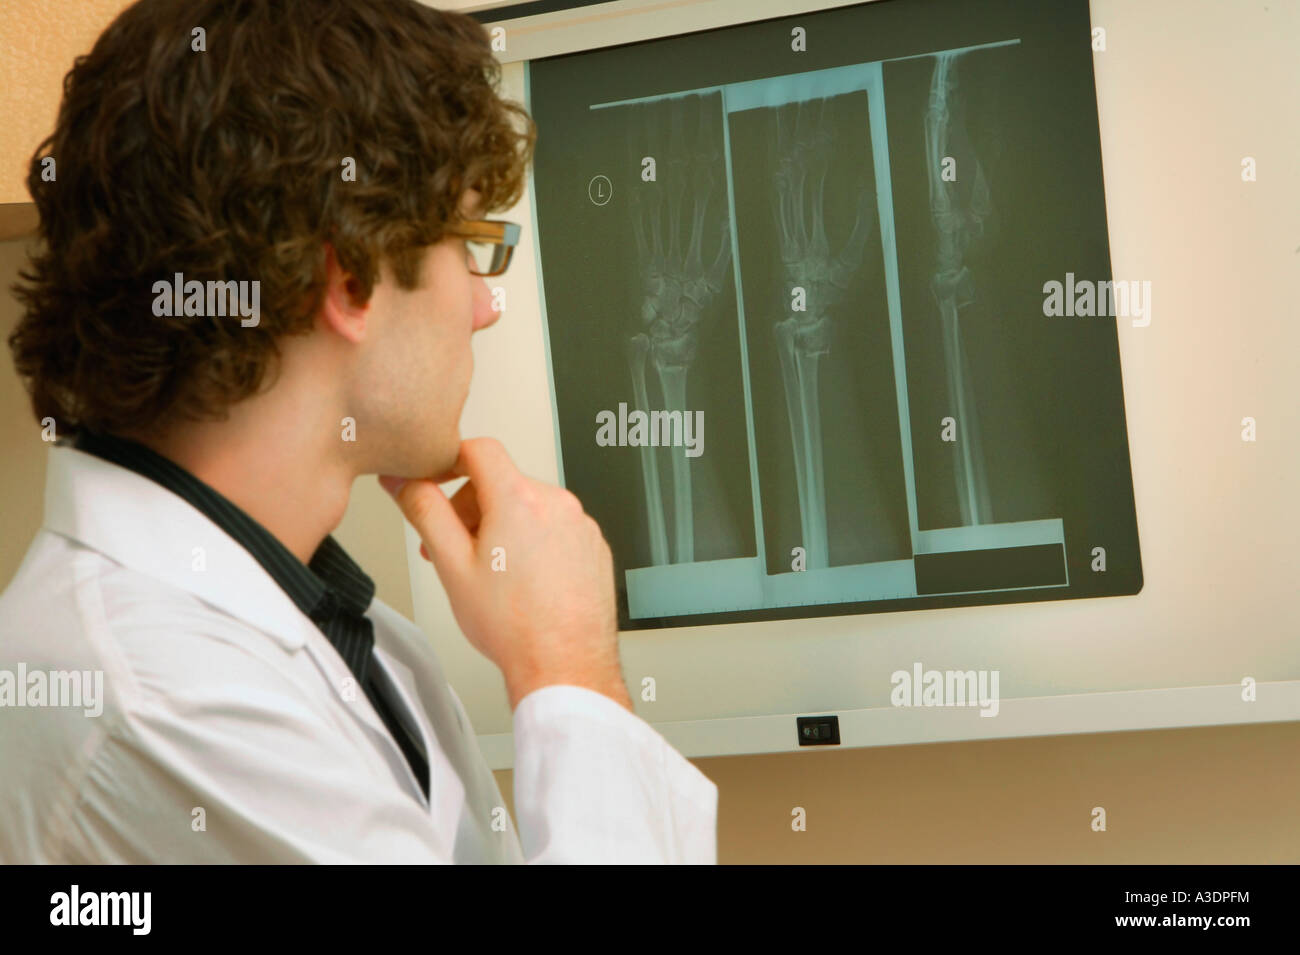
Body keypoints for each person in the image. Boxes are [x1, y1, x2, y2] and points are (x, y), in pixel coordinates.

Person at [0, 0, 716, 863]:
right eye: (469, 242)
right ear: (351, 279)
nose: (484, 305)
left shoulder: (322, 619)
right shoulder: (165, 701)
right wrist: (571, 669)